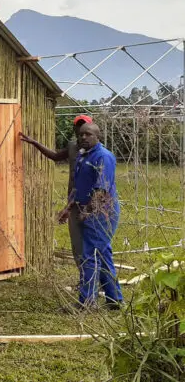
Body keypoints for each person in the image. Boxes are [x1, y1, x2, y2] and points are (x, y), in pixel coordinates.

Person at [19, 114, 93, 268]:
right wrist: (35, 143)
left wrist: (69, 208)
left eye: (85, 127)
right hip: (73, 200)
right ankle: (85, 276)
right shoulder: (72, 147)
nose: (82, 131)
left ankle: (94, 276)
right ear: (74, 129)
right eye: (79, 127)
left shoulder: (97, 152)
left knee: (91, 241)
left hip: (91, 203)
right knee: (77, 242)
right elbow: (55, 156)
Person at [72, 122, 122, 309]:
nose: (83, 137)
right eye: (81, 134)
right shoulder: (83, 155)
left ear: (97, 137)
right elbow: (78, 186)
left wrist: (87, 212)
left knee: (90, 255)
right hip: (90, 210)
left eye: (88, 134)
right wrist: (68, 208)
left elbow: (101, 190)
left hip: (102, 213)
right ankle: (114, 299)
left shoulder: (103, 157)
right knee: (102, 254)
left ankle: (87, 301)